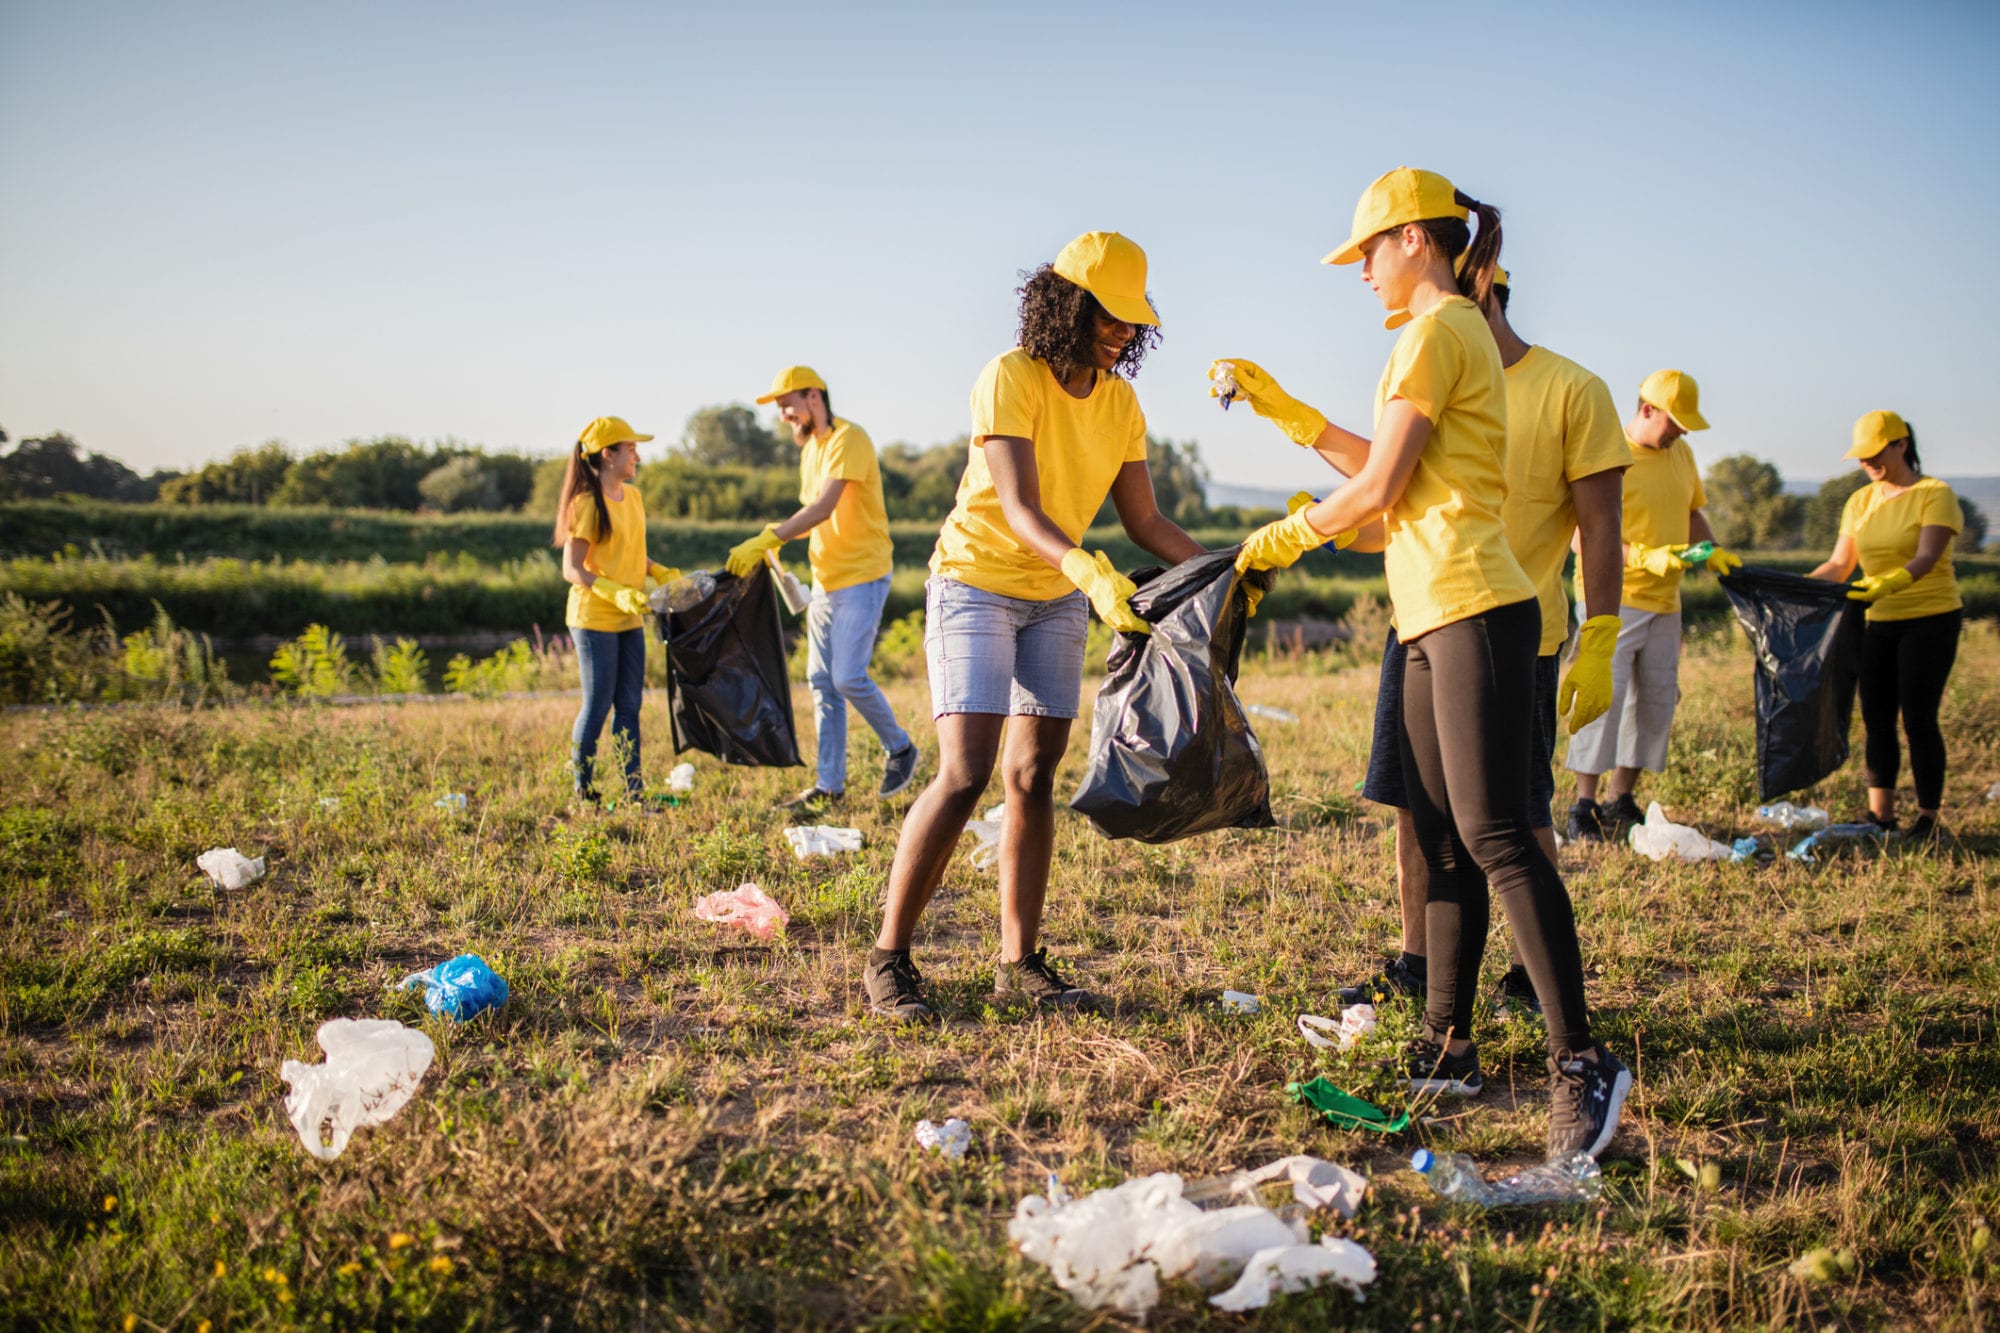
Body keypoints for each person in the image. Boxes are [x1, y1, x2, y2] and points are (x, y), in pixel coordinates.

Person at [1219, 167, 1629, 1158]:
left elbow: (1378, 487)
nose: (1360, 272)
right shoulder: (1442, 334)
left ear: (1412, 237)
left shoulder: (1436, 330)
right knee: (1440, 838)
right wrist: (1296, 428)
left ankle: (1581, 1061)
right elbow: (1396, 496)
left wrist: (1286, 536)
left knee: (1496, 834)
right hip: (1427, 615)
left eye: (1366, 252)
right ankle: (1449, 1046)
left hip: (1476, 606)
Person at [864, 231, 1205, 1022]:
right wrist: (1088, 569)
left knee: (1032, 776)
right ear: (1069, 305)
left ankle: (1018, 962)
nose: (1122, 331)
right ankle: (888, 957)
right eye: (1109, 315)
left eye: (1132, 320)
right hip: (977, 582)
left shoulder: (1120, 402)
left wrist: (1224, 569)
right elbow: (1020, 507)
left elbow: (1146, 521)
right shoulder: (1010, 376)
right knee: (965, 771)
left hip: (1056, 594)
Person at [1331, 265, 1629, 1016]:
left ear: (1485, 288)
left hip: (1511, 633)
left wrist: (1599, 635)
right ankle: (1420, 965)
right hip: (1419, 618)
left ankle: (1531, 982)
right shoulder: (1435, 368)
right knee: (1416, 807)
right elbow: (1395, 486)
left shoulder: (1572, 389)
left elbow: (1601, 526)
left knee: (1515, 816)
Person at [726, 367, 919, 812]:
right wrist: (776, 545)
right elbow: (810, 511)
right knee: (820, 682)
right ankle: (829, 786)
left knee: (847, 676)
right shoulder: (811, 449)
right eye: (780, 409)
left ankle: (901, 748)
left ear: (814, 396)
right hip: (825, 580)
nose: (784, 416)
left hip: (862, 576)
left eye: (787, 405)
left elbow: (824, 507)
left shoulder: (850, 439)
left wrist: (769, 536)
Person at [1563, 370, 1741, 841]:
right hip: (1612, 600)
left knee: (1655, 701)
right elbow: (1581, 536)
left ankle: (1620, 799)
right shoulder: (1608, 453)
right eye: (1675, 423)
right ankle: (1583, 805)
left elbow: (1691, 512)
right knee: (1604, 700)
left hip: (1666, 603)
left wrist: (1713, 550)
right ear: (1646, 410)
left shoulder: (1681, 454)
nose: (1682, 432)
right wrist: (1643, 556)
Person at [1808, 410, 1964, 841]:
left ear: (1901, 445)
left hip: (1930, 619)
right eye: (1861, 456)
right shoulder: (1860, 501)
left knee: (1918, 718)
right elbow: (1840, 565)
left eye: (1875, 453)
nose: (1867, 462)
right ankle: (1881, 817)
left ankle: (1928, 818)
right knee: (1876, 718)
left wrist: (1888, 582)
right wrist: (1797, 587)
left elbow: (1927, 557)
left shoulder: (1934, 494)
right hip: (1878, 620)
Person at [554, 416, 679, 809]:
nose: (636, 456)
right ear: (607, 455)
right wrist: (614, 592)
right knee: (597, 705)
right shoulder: (586, 503)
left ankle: (633, 794)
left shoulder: (633, 498)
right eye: (630, 449)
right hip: (594, 618)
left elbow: (629, 554)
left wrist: (658, 571)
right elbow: (572, 568)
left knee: (629, 705)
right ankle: (584, 793)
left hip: (629, 616)